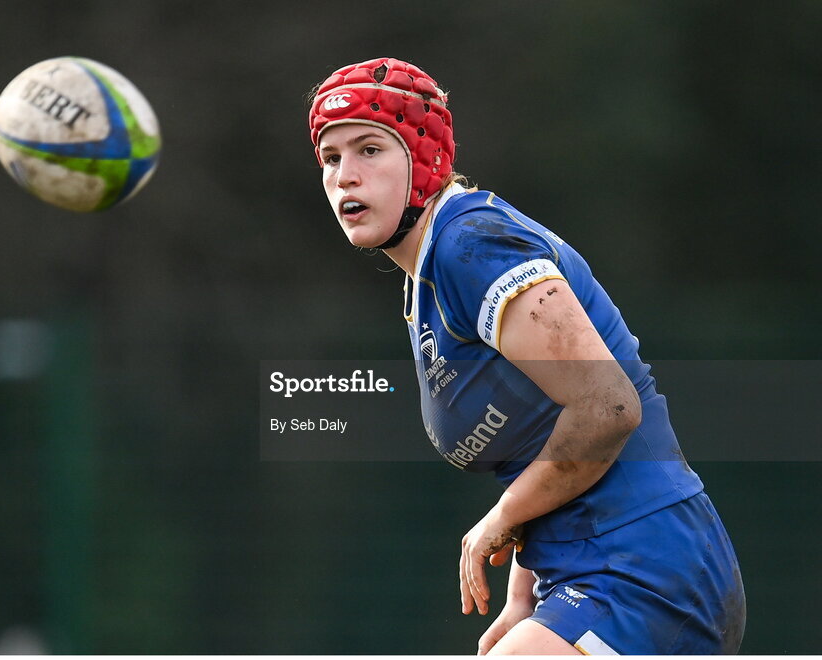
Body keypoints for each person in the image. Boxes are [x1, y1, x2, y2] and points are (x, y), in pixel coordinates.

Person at [307, 57, 746, 655]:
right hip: (586, 571)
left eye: (369, 149)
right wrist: (524, 592)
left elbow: (608, 407)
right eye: (331, 158)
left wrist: (499, 518)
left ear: (424, 158)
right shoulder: (429, 276)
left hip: (642, 567)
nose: (345, 176)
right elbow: (540, 439)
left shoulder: (470, 246)